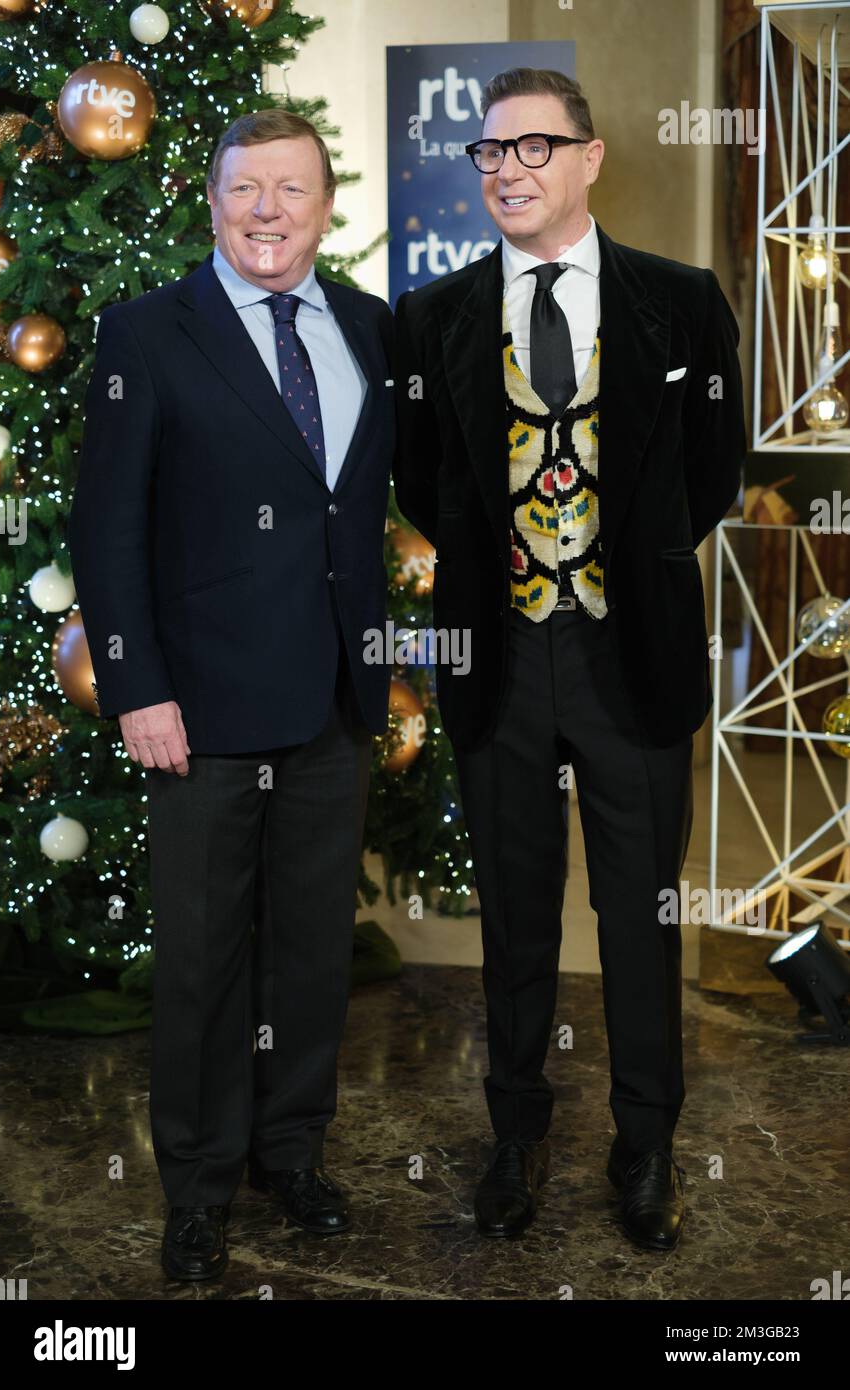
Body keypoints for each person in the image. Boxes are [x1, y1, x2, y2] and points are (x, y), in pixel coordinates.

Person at [392, 67, 746, 1250]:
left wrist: (620, 559)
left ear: (588, 160)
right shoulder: (434, 316)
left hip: (627, 653)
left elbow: (707, 473)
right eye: (488, 155)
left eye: (532, 149)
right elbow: (422, 481)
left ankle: (645, 1149)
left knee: (640, 916)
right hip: (496, 655)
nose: (507, 171)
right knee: (513, 917)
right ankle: (514, 1137)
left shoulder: (679, 302)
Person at [69, 109, 394, 1281]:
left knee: (310, 951)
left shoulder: (365, 329)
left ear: (324, 204)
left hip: (333, 706)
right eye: (245, 187)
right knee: (205, 962)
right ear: (212, 203)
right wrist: (137, 688)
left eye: (290, 189)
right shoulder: (147, 334)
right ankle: (198, 1189)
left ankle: (290, 1152)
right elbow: (105, 534)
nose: (267, 209)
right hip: (195, 714)